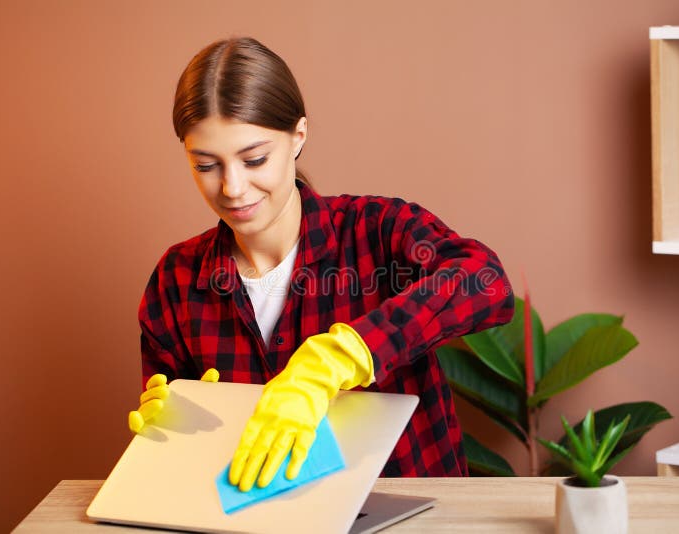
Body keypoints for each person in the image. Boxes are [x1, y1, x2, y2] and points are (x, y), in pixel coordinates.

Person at [129, 36, 514, 493]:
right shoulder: (176, 280)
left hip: (410, 513)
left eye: (254, 159)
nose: (232, 188)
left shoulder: (378, 230)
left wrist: (342, 355)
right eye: (206, 165)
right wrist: (175, 426)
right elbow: (188, 471)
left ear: (298, 137)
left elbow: (486, 283)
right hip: (260, 519)